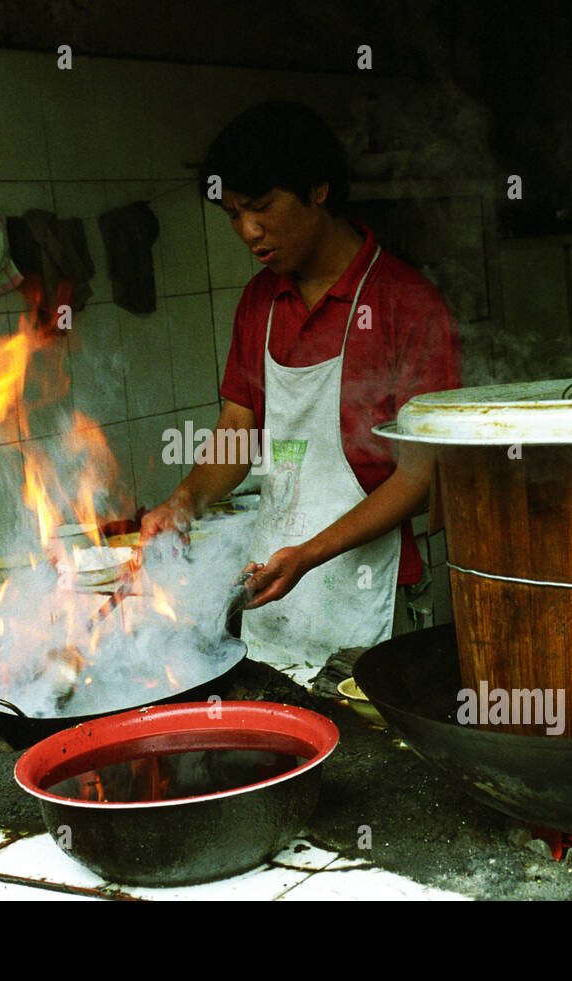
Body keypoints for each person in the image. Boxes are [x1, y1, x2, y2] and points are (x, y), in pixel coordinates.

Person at [140, 101, 461, 667]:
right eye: (233, 214)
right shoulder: (260, 301)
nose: (248, 231)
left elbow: (422, 475)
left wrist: (309, 554)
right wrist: (185, 499)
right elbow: (237, 432)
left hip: (371, 598)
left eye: (260, 208)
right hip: (274, 592)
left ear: (318, 189)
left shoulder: (408, 305)